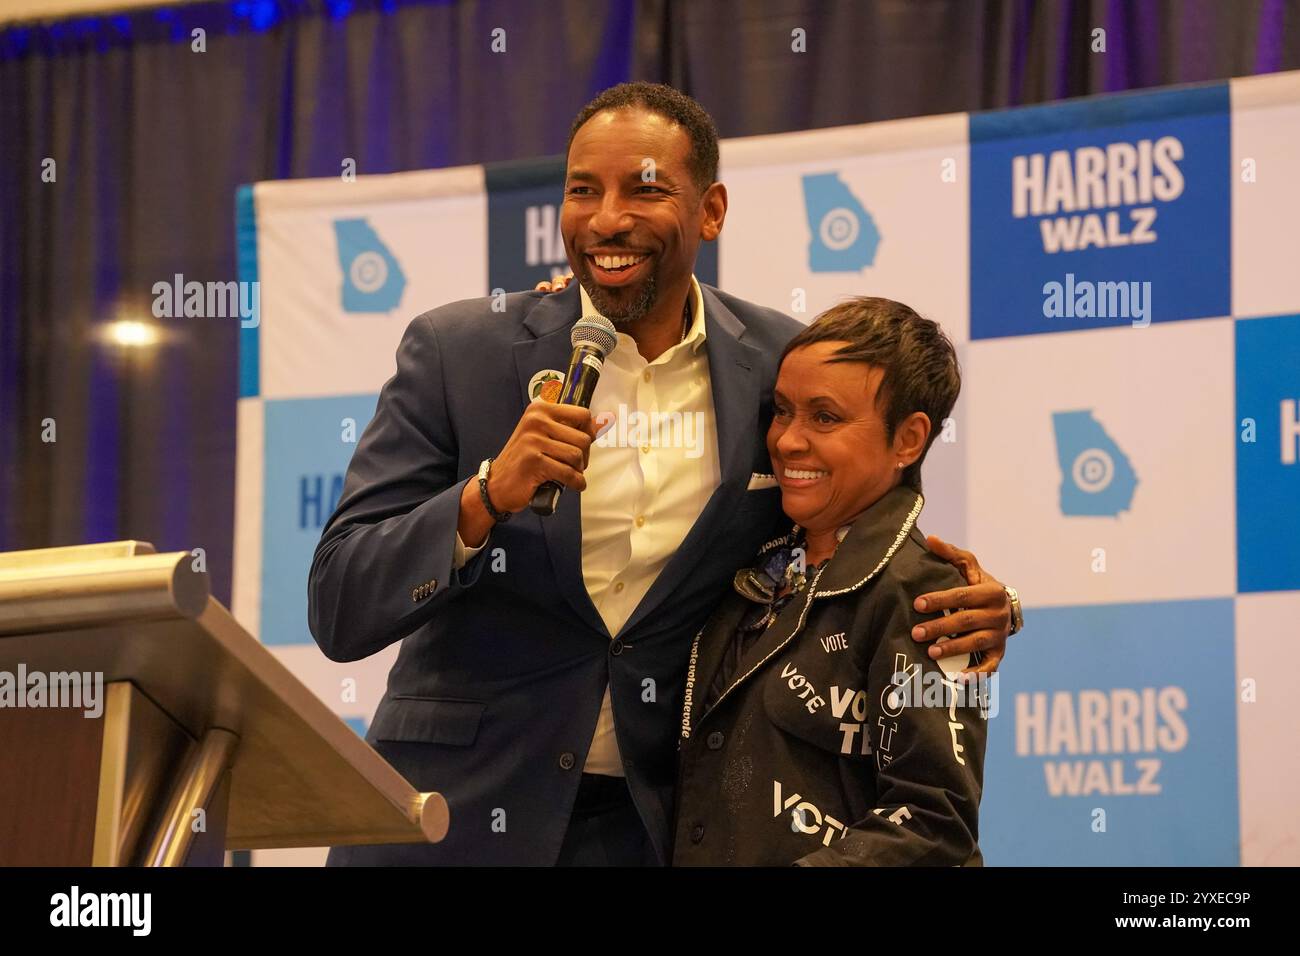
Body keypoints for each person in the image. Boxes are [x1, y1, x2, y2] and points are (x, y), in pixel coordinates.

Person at [308, 82, 1018, 866]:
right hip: (448, 819)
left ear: (710, 211)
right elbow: (341, 603)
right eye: (583, 190)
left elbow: (856, 519)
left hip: (653, 830)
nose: (607, 219)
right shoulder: (458, 352)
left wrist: (979, 603)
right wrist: (484, 497)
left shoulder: (775, 365)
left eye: (644, 189)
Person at [673, 297, 986, 866]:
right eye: (783, 410)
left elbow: (934, 825)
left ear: (908, 441)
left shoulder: (931, 599)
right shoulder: (757, 562)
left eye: (825, 417)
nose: (788, 441)